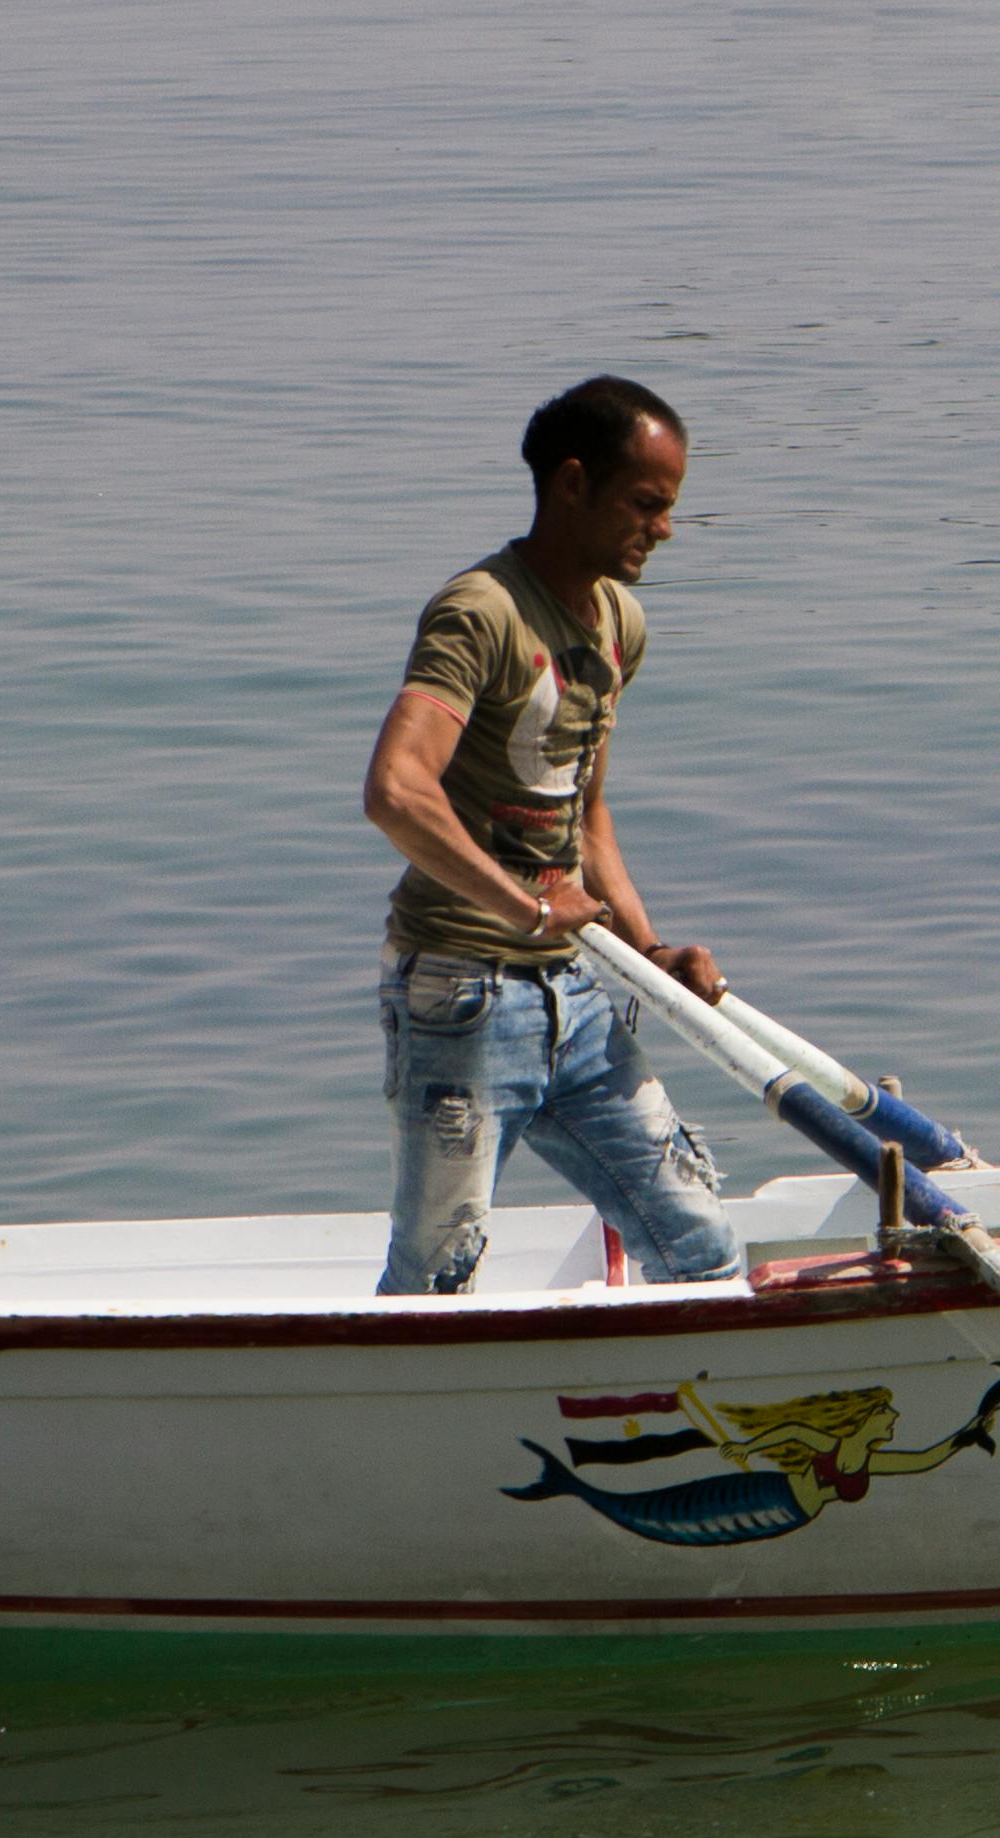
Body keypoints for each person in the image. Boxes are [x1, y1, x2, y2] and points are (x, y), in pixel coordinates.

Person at [359, 376, 744, 1296]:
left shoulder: (620, 623)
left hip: (578, 993)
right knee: (434, 1282)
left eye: (671, 508)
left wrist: (646, 951)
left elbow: (586, 816)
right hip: (464, 998)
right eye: (646, 504)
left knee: (701, 1252)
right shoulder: (481, 613)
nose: (664, 528)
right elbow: (396, 791)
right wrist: (526, 907)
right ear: (572, 485)